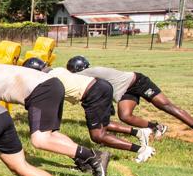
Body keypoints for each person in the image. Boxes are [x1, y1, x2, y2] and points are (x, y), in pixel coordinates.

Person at [0, 60, 111, 176]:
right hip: (53, 85)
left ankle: (93, 157)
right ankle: (84, 160)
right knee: (52, 135)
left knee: (40, 140)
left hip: (41, 90)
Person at [22, 58, 156, 164]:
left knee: (98, 136)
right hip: (101, 86)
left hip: (93, 93)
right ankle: (139, 132)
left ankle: (142, 149)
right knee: (104, 124)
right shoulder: (58, 70)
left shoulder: (47, 80)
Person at [68, 56, 193, 145]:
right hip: (125, 91)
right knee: (125, 116)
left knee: (165, 106)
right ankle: (155, 127)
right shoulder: (89, 73)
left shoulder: (86, 73)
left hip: (138, 82)